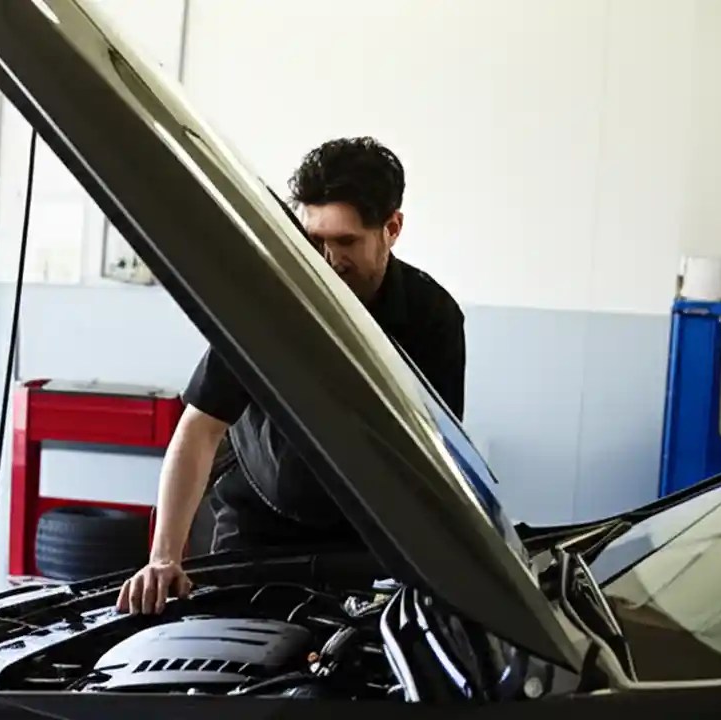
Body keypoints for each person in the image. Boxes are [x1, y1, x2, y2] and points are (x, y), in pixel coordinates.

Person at [117, 137, 466, 614]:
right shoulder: (259, 304)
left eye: (345, 242)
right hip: (256, 527)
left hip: (367, 543)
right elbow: (200, 428)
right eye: (313, 240)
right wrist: (162, 557)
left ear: (392, 228)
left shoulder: (433, 318)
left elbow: (436, 465)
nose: (326, 261)